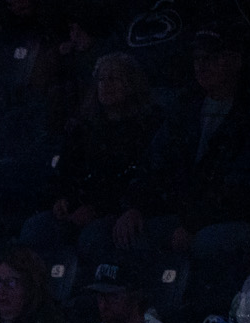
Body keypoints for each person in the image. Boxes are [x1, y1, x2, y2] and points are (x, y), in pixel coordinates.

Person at [111, 26, 250, 323]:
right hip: (182, 215)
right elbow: (154, 161)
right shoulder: (185, 109)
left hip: (232, 219)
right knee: (129, 234)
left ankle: (204, 319)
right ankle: (144, 318)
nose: (202, 65)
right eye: (198, 58)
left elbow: (245, 186)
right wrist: (134, 205)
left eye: (212, 58)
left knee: (208, 243)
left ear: (234, 61)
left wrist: (194, 222)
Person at [18, 51, 162, 256]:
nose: (106, 84)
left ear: (131, 83)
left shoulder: (148, 127)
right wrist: (62, 199)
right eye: (101, 79)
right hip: (78, 207)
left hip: (120, 210)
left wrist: (98, 209)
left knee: (94, 236)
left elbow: (139, 178)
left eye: (113, 78)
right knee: (36, 228)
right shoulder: (83, 128)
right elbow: (65, 171)